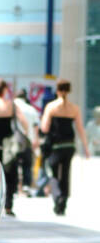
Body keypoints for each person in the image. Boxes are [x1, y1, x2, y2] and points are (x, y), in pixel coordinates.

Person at [40, 79, 91, 216]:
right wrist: (86, 147)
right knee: (66, 173)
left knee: (53, 173)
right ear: (69, 91)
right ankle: (64, 200)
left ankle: (57, 198)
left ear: (57, 90)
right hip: (70, 145)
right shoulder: (74, 108)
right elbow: (80, 129)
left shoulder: (51, 107)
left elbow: (44, 127)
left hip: (56, 145)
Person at [0, 80, 32, 216]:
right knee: (11, 176)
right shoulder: (11, 105)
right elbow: (24, 122)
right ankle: (8, 206)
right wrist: (25, 133)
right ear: (5, 89)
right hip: (9, 146)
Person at [14, 90, 40, 194]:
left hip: (14, 140)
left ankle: (15, 187)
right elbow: (36, 126)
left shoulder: (12, 107)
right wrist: (36, 139)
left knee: (14, 164)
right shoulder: (31, 109)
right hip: (29, 140)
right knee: (27, 164)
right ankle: (26, 185)